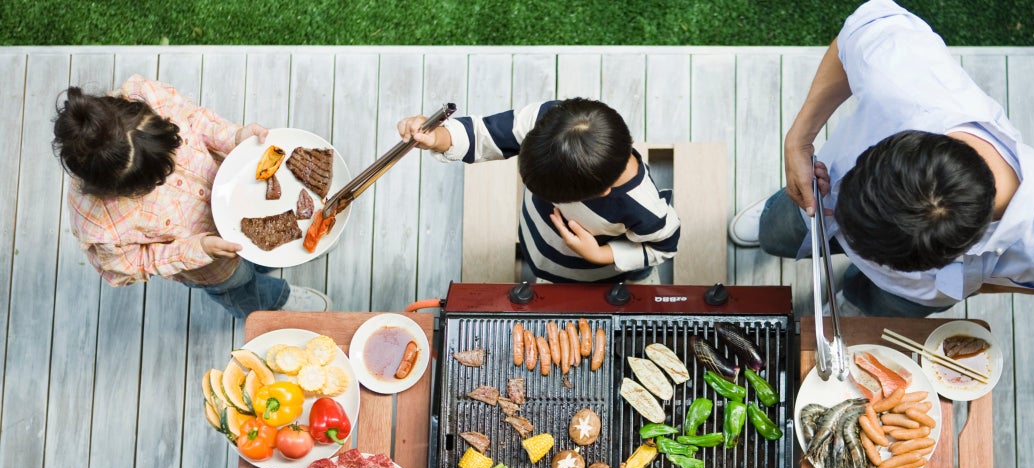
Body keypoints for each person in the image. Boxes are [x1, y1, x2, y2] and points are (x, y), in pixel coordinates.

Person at [729, 0, 1034, 318]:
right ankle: (779, 229)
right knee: (779, 229)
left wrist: (995, 283)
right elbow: (863, 27)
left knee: (869, 309)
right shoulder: (908, 82)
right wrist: (799, 141)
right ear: (904, 144)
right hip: (820, 191)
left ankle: (853, 301)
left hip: (913, 293)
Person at [53, 75, 331, 317]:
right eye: (158, 179)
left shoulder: (146, 95)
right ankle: (273, 300)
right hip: (213, 263)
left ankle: (269, 261)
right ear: (115, 189)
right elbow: (132, 264)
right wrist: (197, 250)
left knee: (266, 249)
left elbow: (196, 120)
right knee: (240, 285)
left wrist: (235, 137)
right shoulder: (99, 225)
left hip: (245, 202)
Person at [397, 98, 680, 283]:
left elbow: (664, 247)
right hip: (539, 236)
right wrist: (438, 137)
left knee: (635, 278)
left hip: (593, 268)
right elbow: (485, 134)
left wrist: (599, 255)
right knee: (539, 260)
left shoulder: (644, 209)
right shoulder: (549, 121)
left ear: (602, 192)